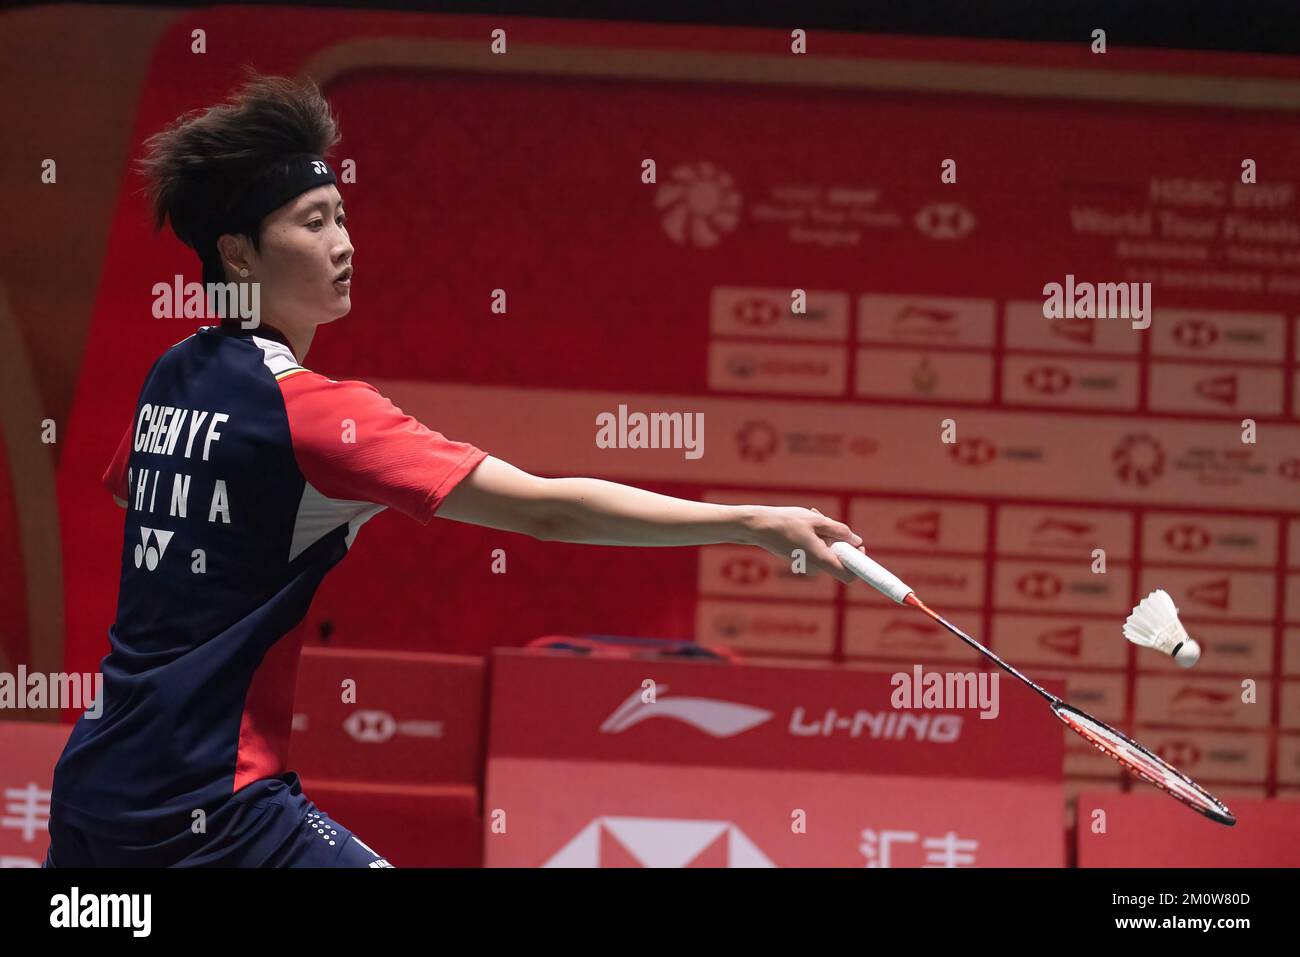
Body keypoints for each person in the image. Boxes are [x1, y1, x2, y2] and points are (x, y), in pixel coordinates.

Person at [45, 72, 863, 867]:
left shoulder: (174, 372)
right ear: (239, 253)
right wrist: (752, 522)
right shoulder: (320, 415)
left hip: (97, 783)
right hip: (215, 805)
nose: (344, 243)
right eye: (313, 223)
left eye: (341, 216)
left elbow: (142, 499)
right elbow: (548, 510)